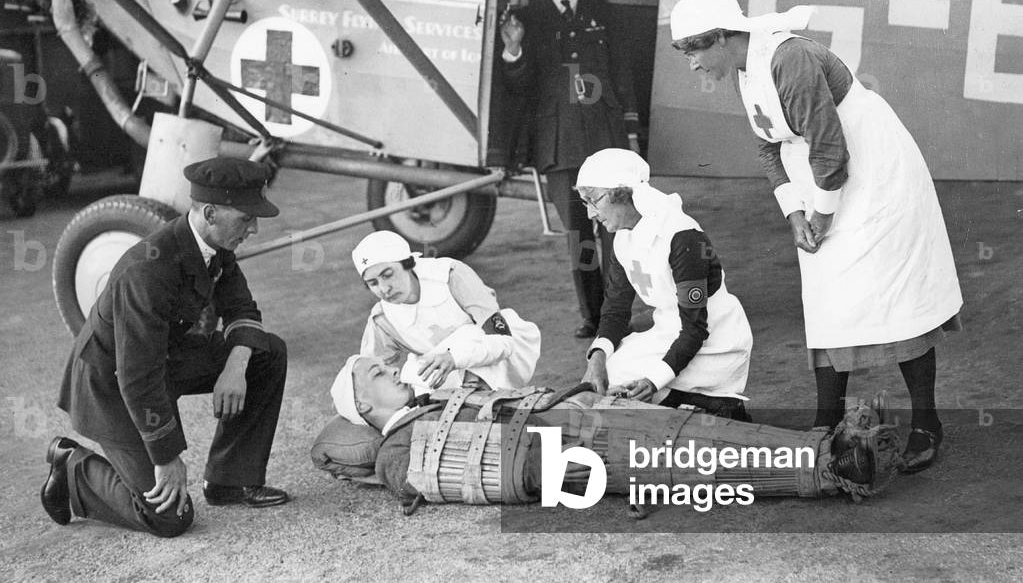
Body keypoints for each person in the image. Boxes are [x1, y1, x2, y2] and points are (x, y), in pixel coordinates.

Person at [668, 0, 963, 472]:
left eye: (695, 50)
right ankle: (825, 424)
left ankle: (928, 424)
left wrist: (820, 216)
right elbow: (768, 147)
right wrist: (794, 214)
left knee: (898, 298)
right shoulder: (745, 70)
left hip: (875, 174)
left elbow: (831, 145)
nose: (693, 64)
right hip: (823, 178)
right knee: (825, 296)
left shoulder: (791, 58)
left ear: (722, 37)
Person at [42, 157, 289, 537]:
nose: (254, 228)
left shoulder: (214, 243)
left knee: (266, 353)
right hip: (112, 386)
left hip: (161, 363)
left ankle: (229, 481)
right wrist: (166, 456)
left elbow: (241, 307)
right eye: (246, 218)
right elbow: (136, 377)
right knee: (169, 518)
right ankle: (73, 468)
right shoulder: (147, 271)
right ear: (209, 212)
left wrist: (236, 366)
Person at [317, 354, 900, 511]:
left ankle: (825, 448)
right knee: (679, 458)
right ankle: (833, 469)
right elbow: (428, 479)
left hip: (558, 419)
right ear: (363, 406)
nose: (391, 370)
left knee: (688, 427)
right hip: (552, 455)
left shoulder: (433, 403)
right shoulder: (396, 447)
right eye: (376, 374)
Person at [500, 0, 640, 338]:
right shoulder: (529, 18)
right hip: (558, 143)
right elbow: (518, 84)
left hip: (605, 139)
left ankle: (616, 317)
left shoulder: (605, 13)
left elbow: (622, 74)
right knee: (578, 235)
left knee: (614, 233)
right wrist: (513, 49)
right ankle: (591, 317)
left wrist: (630, 134)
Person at [574, 149, 753, 420]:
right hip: (670, 332)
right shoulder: (623, 238)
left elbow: (694, 329)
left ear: (622, 193)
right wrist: (596, 360)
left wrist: (653, 382)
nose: (589, 214)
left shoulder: (682, 237)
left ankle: (716, 404)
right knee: (609, 373)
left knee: (636, 385)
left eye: (593, 201)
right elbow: (615, 312)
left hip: (714, 342)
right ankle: (680, 402)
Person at [336, 230, 540, 408]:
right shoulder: (382, 319)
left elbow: (504, 341)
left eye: (388, 274)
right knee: (413, 372)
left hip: (503, 352)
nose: (383, 289)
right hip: (444, 373)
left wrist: (455, 358)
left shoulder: (450, 275)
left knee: (467, 335)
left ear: (407, 264)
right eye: (372, 283)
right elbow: (367, 379)